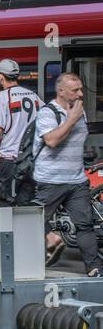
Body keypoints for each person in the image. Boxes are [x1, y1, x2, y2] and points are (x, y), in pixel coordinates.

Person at [34, 73, 100, 275]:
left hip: (77, 180)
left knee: (85, 225)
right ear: (61, 91)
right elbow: (52, 141)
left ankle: (94, 268)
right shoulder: (47, 113)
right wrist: (71, 119)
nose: (80, 94)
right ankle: (49, 241)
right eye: (75, 90)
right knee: (34, 220)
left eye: (81, 89)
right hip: (51, 179)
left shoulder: (80, 112)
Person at [0, 58, 41, 203]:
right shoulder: (33, 96)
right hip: (30, 160)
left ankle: (6, 226)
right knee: (26, 203)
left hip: (9, 160)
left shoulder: (2, 97)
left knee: (4, 201)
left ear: (0, 76)